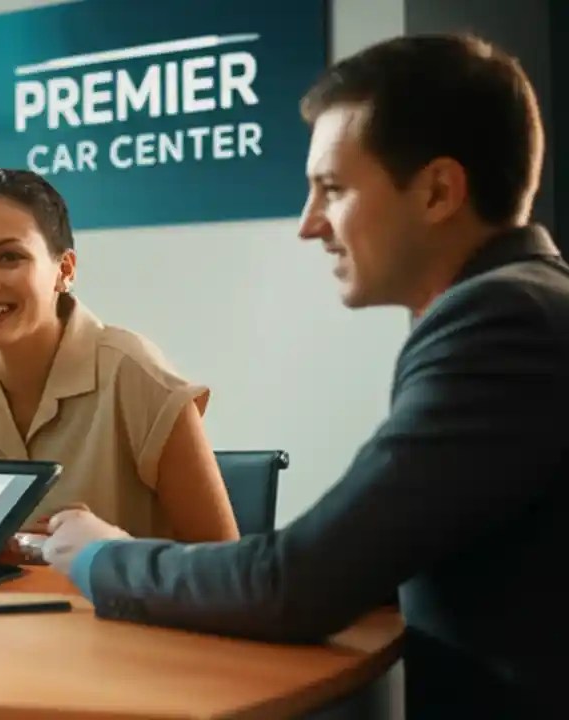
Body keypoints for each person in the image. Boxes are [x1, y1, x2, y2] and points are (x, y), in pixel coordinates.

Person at [42, 33, 566, 716]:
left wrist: (100, 556)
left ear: (438, 190)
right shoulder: (522, 306)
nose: (308, 224)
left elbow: (295, 584)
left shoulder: (502, 324)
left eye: (333, 189)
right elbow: (363, 558)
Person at [0, 169, 239, 547]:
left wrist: (117, 551)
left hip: (111, 606)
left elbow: (222, 566)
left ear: (65, 270)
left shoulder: (135, 375)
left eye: (9, 257)